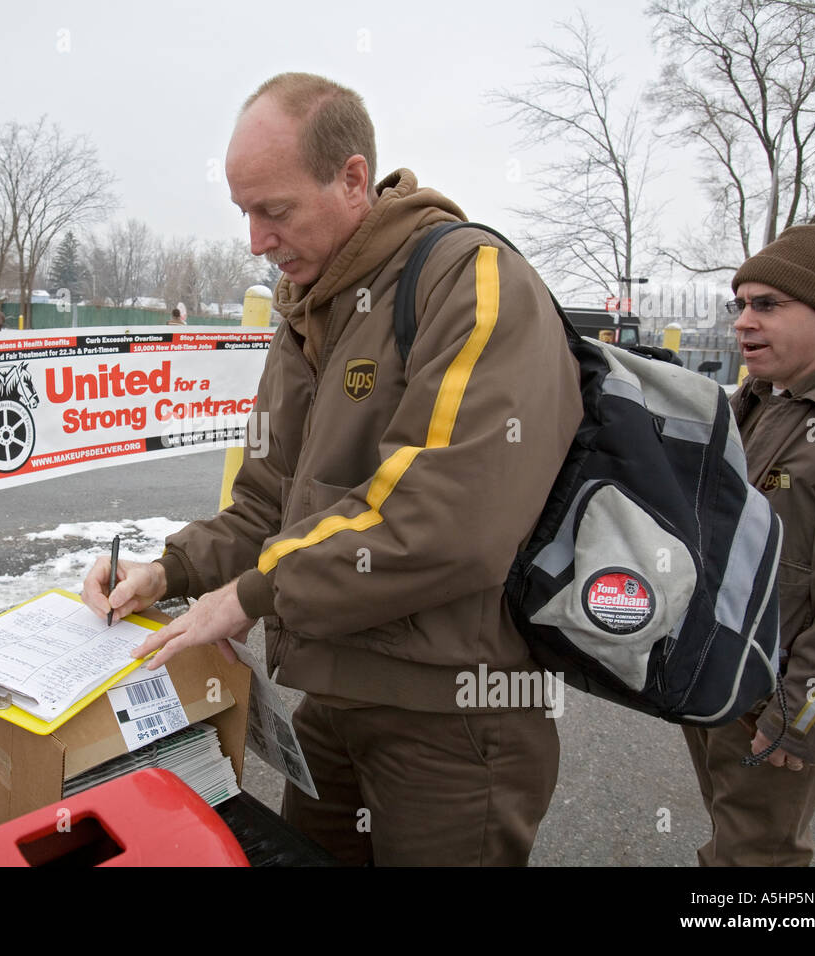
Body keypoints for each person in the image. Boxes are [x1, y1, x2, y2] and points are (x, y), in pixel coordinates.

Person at [82, 73, 583, 865]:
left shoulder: (471, 281)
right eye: (244, 212)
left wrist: (254, 595)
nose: (255, 240)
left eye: (273, 210)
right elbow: (265, 504)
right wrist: (169, 568)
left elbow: (447, 517)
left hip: (451, 719)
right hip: (332, 697)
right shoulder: (308, 306)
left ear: (353, 179)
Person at [683, 224, 815, 866]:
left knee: (755, 862)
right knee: (733, 840)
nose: (742, 321)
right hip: (725, 676)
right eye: (741, 304)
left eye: (766, 305)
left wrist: (803, 713)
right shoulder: (754, 402)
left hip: (786, 691)